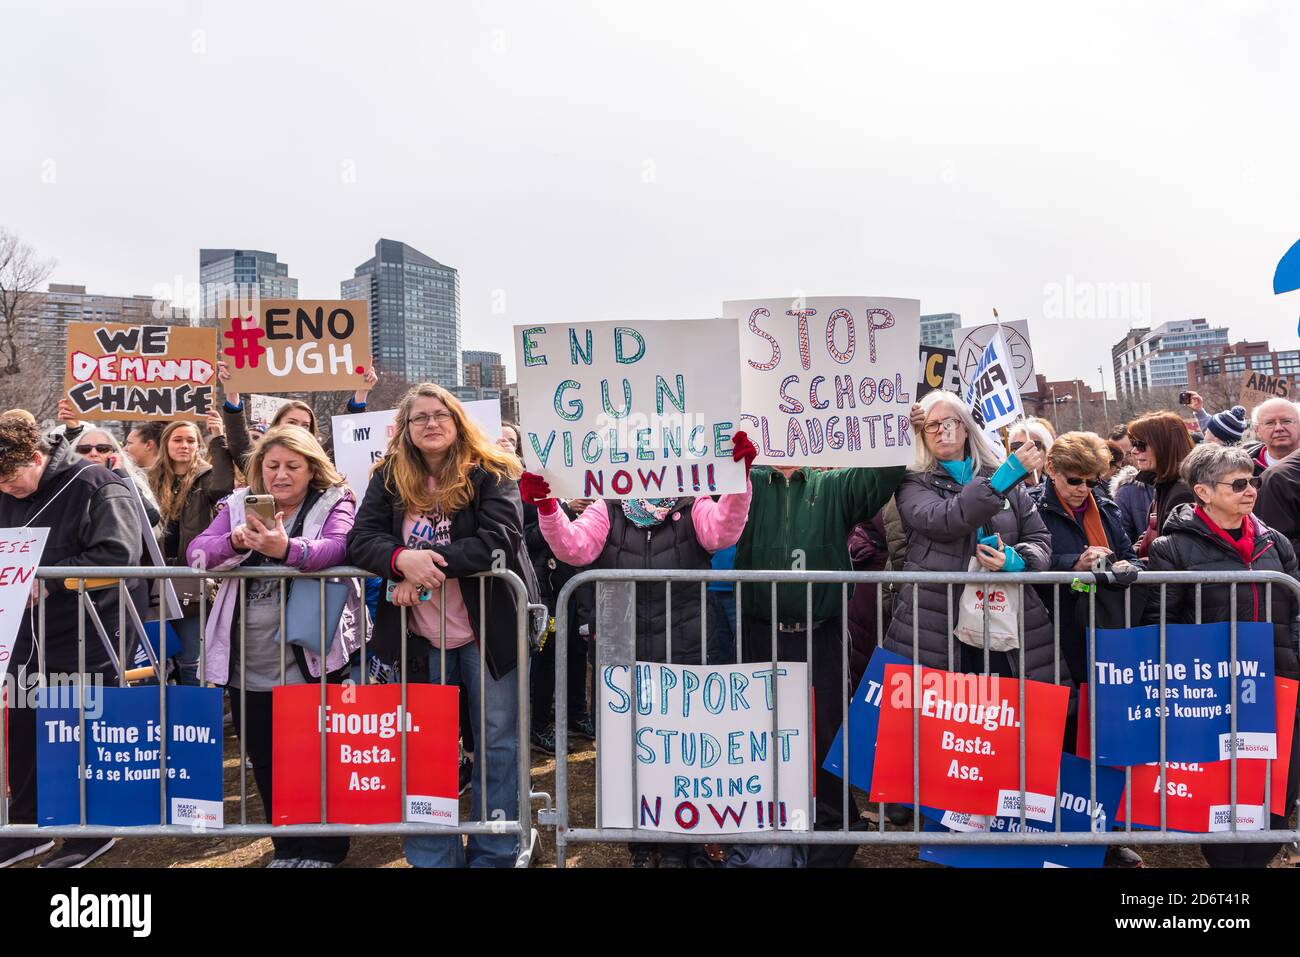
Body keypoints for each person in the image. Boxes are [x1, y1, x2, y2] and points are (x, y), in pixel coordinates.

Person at [521, 432, 757, 866]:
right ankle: (642, 843)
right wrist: (547, 507)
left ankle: (685, 837)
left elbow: (724, 531)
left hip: (684, 644)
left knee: (682, 744)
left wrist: (738, 478)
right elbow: (574, 548)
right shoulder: (607, 505)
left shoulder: (693, 502)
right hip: (622, 647)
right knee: (629, 748)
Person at [347, 383, 533, 868]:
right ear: (405, 430)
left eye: (440, 415)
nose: (431, 423)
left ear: (457, 421)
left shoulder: (492, 469)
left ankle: (496, 850)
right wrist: (398, 560)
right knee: (425, 748)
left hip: (487, 635)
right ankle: (434, 854)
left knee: (497, 743)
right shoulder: (389, 476)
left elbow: (500, 540)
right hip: (418, 638)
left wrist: (422, 565)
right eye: (419, 418)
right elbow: (360, 540)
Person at [187, 425, 362, 867]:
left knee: (314, 754)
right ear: (258, 469)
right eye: (272, 466)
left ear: (311, 469)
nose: (280, 476)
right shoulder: (236, 503)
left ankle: (325, 847)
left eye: (291, 466)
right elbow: (197, 553)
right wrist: (234, 540)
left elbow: (339, 547)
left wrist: (289, 549)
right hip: (247, 656)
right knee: (264, 757)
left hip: (311, 653)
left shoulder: (334, 499)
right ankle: (286, 845)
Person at [732, 421, 907, 857]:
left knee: (827, 729)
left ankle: (834, 824)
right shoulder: (747, 478)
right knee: (764, 728)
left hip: (821, 631)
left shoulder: (833, 483)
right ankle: (769, 815)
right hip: (760, 628)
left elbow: (882, 475)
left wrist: (895, 424)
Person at [1144, 443, 1300, 868]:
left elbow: (1297, 605)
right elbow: (1162, 620)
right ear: (1204, 492)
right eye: (1239, 483)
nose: (1251, 490)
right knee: (1225, 794)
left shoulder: (1275, 540)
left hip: (1277, 682)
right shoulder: (1171, 549)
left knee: (1277, 789)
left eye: (1253, 480)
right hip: (1212, 694)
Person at [0, 416, 142, 869]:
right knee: (24, 730)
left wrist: (52, 583)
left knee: (85, 734)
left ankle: (92, 831)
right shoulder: (7, 491)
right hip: (26, 638)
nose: (7, 489)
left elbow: (120, 554)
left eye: (11, 479)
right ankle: (25, 827)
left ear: (37, 458)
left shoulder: (94, 483)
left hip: (88, 633)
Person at [884, 392, 1062, 680]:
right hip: (937, 621)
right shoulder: (913, 482)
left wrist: (1015, 560)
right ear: (922, 434)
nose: (942, 430)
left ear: (966, 428)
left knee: (1012, 713)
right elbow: (944, 520)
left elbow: (1039, 537)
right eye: (932, 425)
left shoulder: (1006, 479)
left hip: (1006, 619)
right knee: (939, 718)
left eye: (950, 422)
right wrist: (1005, 477)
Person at [1031, 431, 1139, 690]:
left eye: (1091, 482)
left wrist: (1128, 568)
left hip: (1104, 620)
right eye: (1075, 480)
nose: (1083, 489)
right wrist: (1073, 564)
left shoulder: (1106, 508)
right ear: (1051, 469)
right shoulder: (1032, 508)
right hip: (1055, 625)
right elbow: (1027, 561)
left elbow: (1131, 557)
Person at [148, 417, 236, 683]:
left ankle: (191, 719)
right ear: (166, 444)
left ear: (199, 445)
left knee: (190, 659)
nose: (184, 445)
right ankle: (156, 718)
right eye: (178, 440)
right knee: (154, 661)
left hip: (192, 579)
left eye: (191, 440)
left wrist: (218, 439)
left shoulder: (207, 477)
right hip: (155, 579)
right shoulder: (150, 478)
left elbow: (224, 486)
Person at [216, 362, 379, 468]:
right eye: (292, 422)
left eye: (305, 425)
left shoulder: (317, 461)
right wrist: (232, 392)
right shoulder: (259, 462)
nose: (299, 429)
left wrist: (361, 392)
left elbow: (342, 439)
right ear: (277, 424)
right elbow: (239, 442)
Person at [1126, 411, 1195, 556]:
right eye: (1133, 444)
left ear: (1164, 447)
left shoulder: (1183, 492)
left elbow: (1177, 555)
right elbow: (1154, 534)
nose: (1134, 451)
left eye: (1141, 445)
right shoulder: (1163, 485)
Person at [1247, 397, 1300, 474]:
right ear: (1257, 430)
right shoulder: (1242, 467)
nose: (1278, 428)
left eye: (1286, 421)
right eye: (1270, 423)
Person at [1007, 419, 1054, 487]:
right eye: (1017, 445)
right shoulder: (1004, 490)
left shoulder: (1057, 487)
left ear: (1047, 452)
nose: (1025, 452)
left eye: (1034, 445)